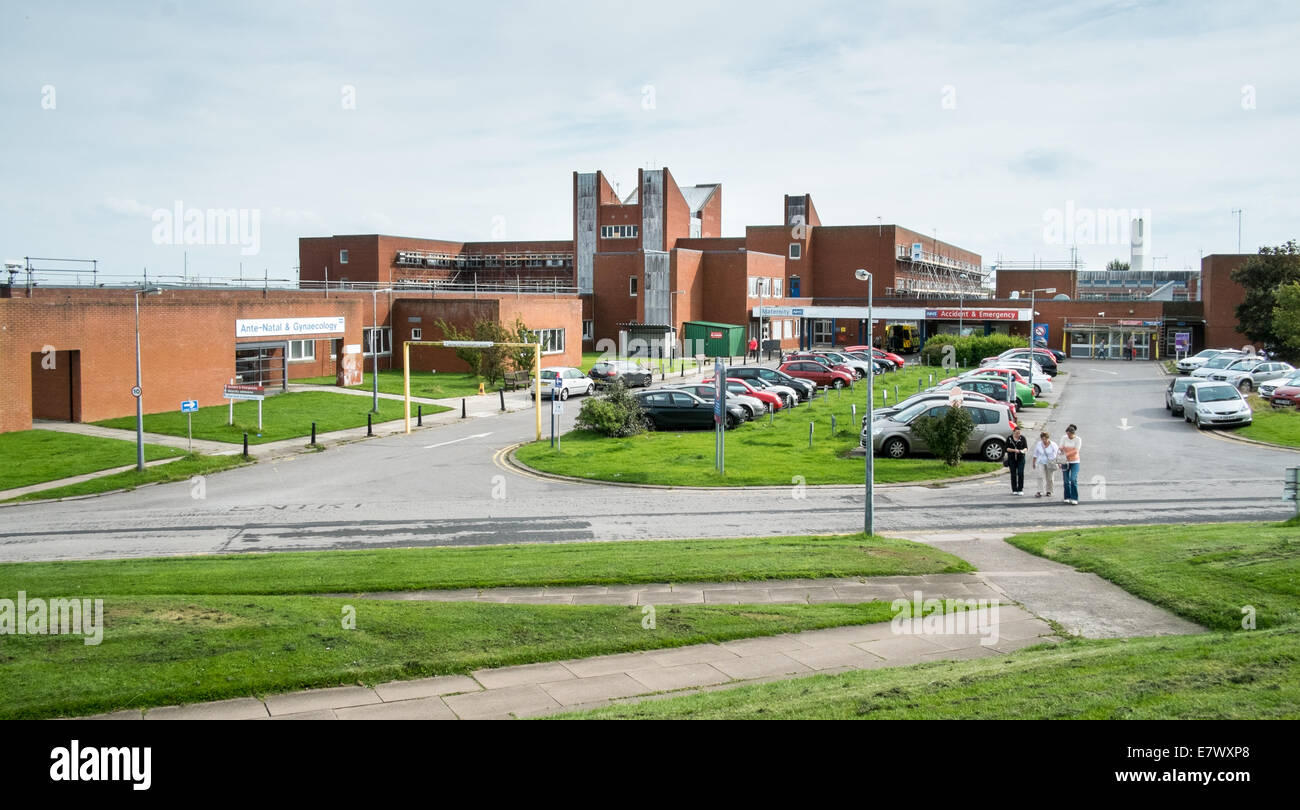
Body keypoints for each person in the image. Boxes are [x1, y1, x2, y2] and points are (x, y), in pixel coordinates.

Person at [1030, 430, 1060, 498]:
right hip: (1041, 462)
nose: (1044, 440)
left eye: (1045, 438)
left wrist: (1059, 462)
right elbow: (1035, 454)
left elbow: (1058, 453)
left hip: (1050, 462)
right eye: (1043, 439)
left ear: (1048, 438)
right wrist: (1034, 463)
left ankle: (1049, 491)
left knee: (1050, 478)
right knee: (1040, 476)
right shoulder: (1039, 444)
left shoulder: (1053, 444)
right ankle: (1039, 491)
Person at [1059, 424, 1082, 505]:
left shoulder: (1078, 439)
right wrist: (1062, 456)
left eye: (1070, 434)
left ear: (1073, 433)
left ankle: (1074, 498)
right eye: (1067, 434)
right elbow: (1061, 447)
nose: (1068, 436)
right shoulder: (1064, 438)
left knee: (1073, 479)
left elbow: (1076, 450)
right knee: (1066, 481)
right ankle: (1067, 497)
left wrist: (1066, 452)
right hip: (1065, 462)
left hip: (1075, 461)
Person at [1005, 426, 1028, 495]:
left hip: (1021, 458)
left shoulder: (1022, 438)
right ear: (1013, 432)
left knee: (1020, 473)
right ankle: (1014, 489)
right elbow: (1006, 448)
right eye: (1017, 433)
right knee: (1013, 474)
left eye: (1019, 433)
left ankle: (1020, 489)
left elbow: (1026, 448)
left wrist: (1021, 451)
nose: (1018, 434)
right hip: (1012, 459)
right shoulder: (1009, 438)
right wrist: (1014, 450)